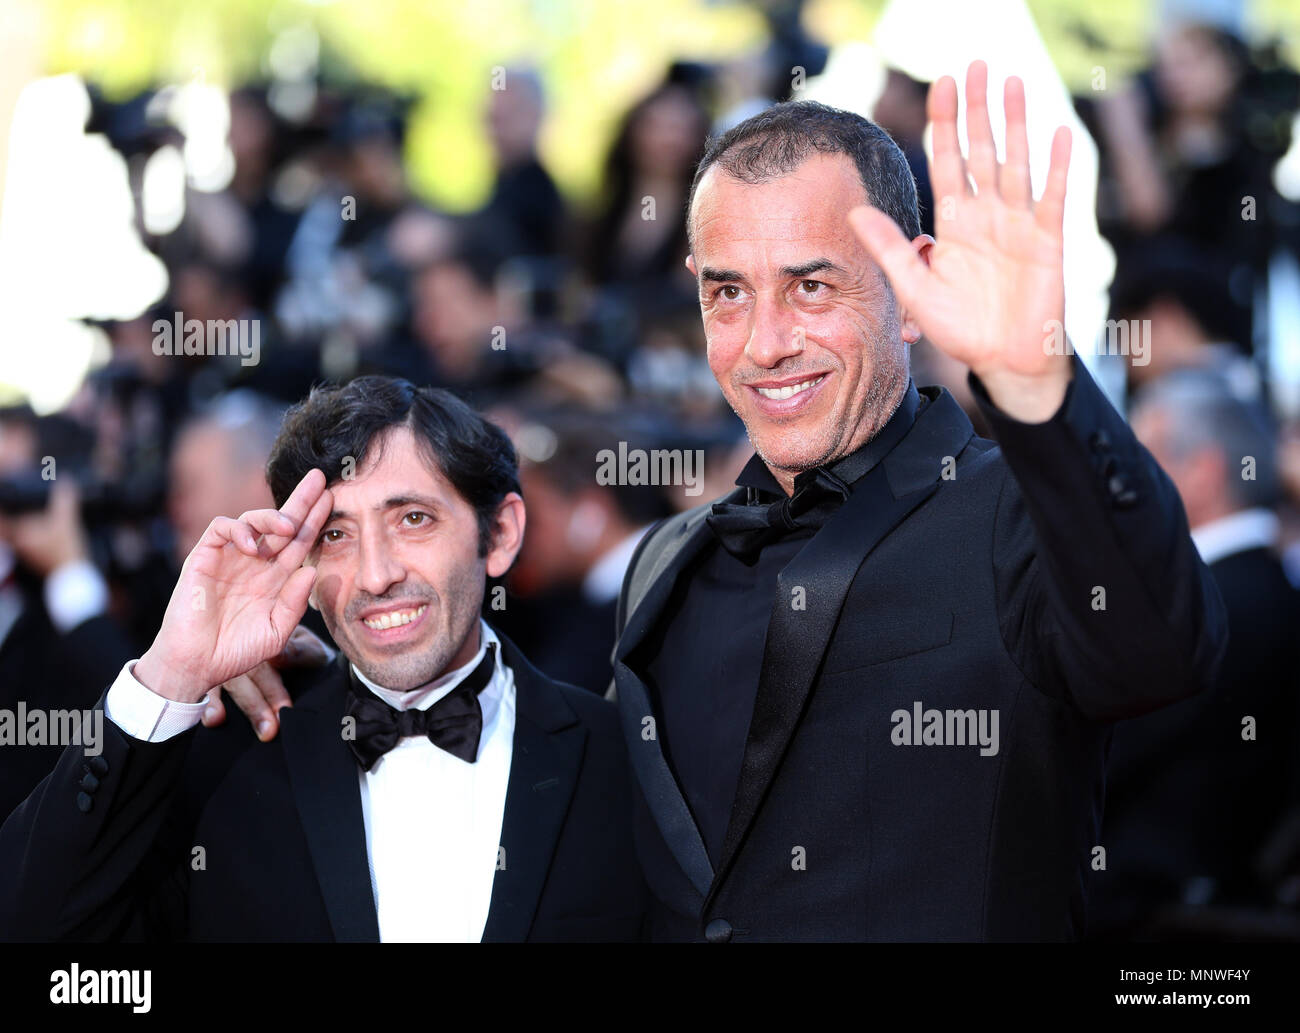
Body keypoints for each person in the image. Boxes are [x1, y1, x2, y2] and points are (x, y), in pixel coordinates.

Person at [609, 61, 1227, 941]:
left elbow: (1163, 650)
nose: (766, 344)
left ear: (908, 292)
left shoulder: (1020, 519)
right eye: (729, 293)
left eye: (810, 286)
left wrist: (1034, 380)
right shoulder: (663, 563)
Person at [0, 378, 644, 942]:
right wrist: (171, 670)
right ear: (300, 555)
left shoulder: (627, 759)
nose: (375, 575)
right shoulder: (226, 767)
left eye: (413, 519)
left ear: (499, 534)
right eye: (335, 535)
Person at [1091, 370, 1300, 937]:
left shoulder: (1209, 605)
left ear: (1202, 472)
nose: (1118, 482)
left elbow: (1098, 757)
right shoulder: (1266, 591)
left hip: (1154, 923)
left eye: (1142, 456)